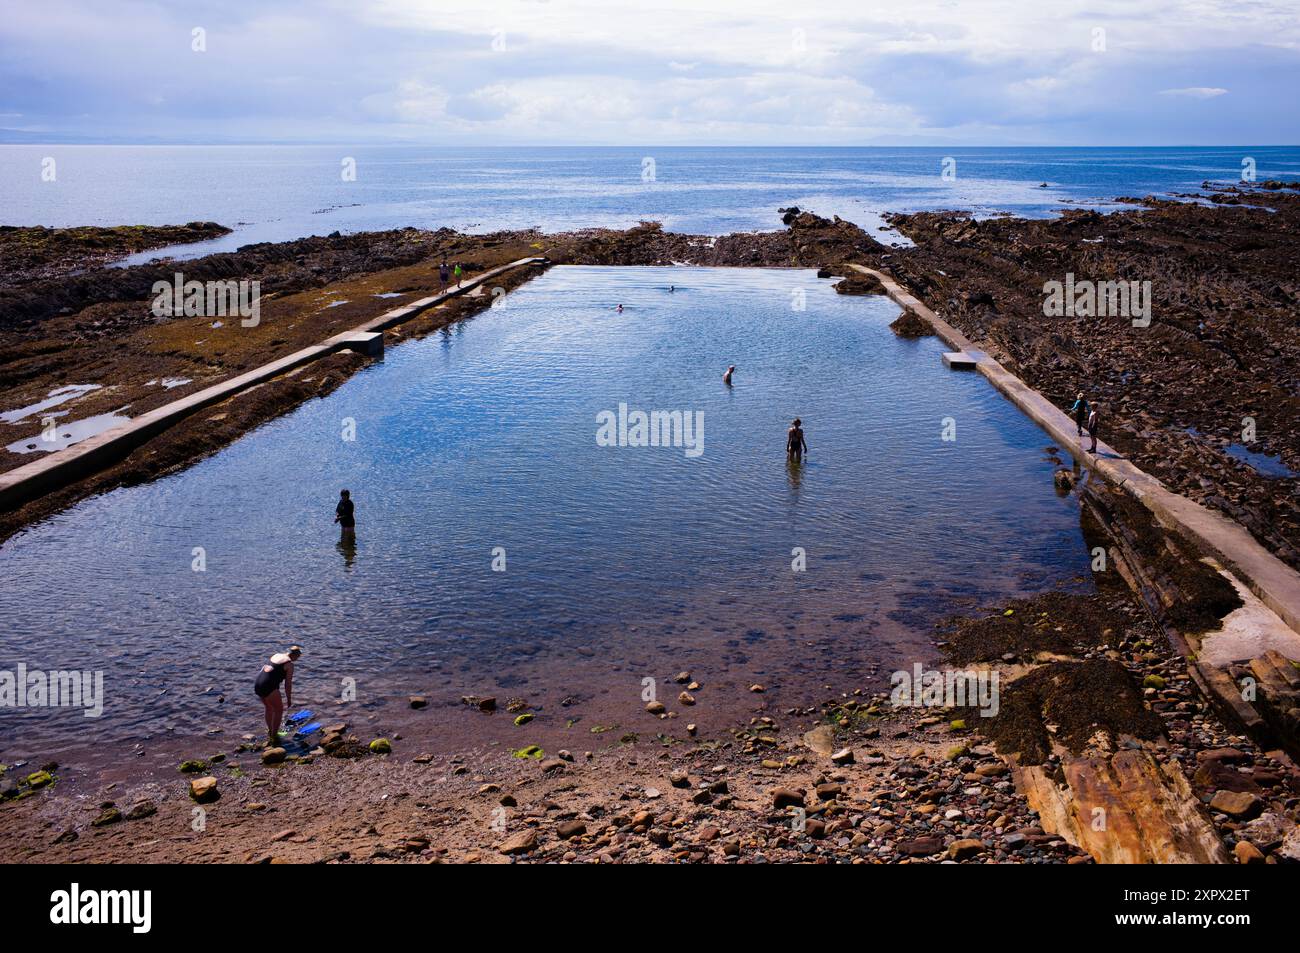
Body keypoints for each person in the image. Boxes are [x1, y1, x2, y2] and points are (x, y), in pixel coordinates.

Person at [254, 645, 302, 747]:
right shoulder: (290, 665)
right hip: (269, 685)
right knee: (279, 710)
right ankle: (274, 736)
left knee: (269, 708)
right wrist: (289, 699)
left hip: (258, 683)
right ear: (295, 656)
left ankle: (271, 731)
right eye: (298, 657)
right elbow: (288, 684)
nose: (297, 660)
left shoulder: (276, 655)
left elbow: (265, 668)